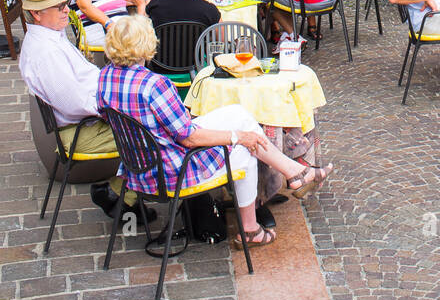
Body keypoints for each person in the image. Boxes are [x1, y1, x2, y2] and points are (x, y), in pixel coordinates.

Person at [96, 14, 332, 247]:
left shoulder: (105, 78)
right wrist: (236, 137)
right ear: (147, 44)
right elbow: (189, 139)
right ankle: (251, 230)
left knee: (239, 115)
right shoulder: (154, 85)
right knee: (245, 148)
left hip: (138, 165)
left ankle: (294, 173)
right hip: (170, 170)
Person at [18, 0, 146, 220]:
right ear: (37, 13)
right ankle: (120, 194)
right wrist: (122, 102)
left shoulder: (50, 36)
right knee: (155, 130)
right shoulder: (45, 52)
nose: (68, 10)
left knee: (152, 117)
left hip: (89, 118)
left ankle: (122, 192)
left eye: (67, 3)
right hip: (80, 131)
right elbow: (77, 103)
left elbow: (85, 84)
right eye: (60, 6)